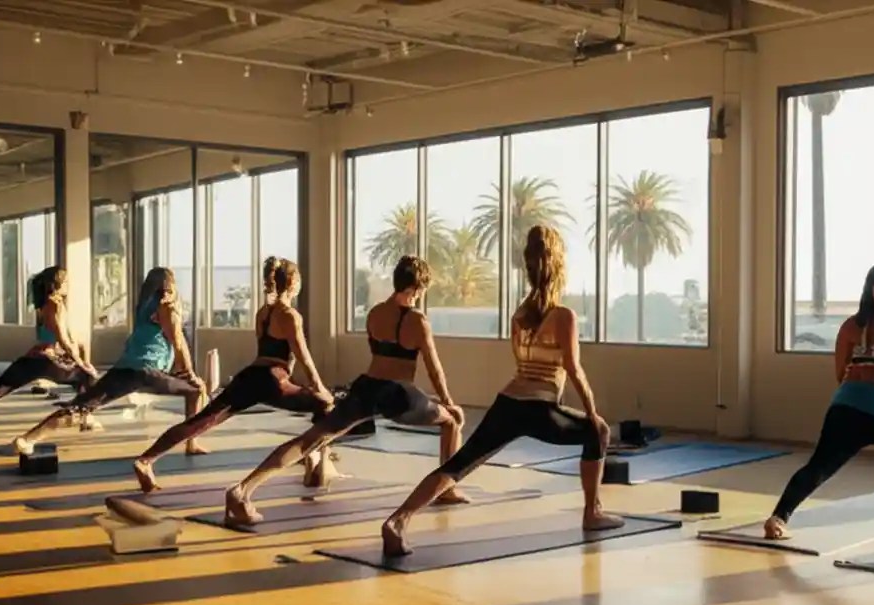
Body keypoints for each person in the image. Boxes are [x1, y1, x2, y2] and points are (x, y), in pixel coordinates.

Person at [380, 225, 624, 556]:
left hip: (507, 403)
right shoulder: (564, 316)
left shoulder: (519, 315)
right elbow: (572, 369)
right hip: (540, 409)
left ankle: (398, 520)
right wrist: (592, 412)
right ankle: (592, 513)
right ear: (559, 269)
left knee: (459, 464)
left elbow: (526, 365)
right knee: (600, 431)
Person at [223, 254, 464, 526]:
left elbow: (381, 354)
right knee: (452, 420)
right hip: (399, 394)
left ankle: (243, 489)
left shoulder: (374, 314)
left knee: (310, 439)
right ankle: (448, 489)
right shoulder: (418, 320)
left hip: (367, 387)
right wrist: (448, 401)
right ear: (416, 288)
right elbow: (433, 368)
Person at [763, 262, 874, 540]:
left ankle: (778, 517)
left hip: (844, 406)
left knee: (818, 467)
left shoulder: (849, 326)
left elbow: (841, 374)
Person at [131, 257, 336, 493]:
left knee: (202, 421)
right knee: (325, 405)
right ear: (292, 283)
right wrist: (319, 387)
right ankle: (313, 461)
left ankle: (146, 460)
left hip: (250, 376)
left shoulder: (263, 313)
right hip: (273, 379)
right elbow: (303, 356)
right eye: (299, 279)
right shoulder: (290, 315)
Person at [13, 267, 207, 456]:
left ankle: (27, 439)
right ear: (170, 285)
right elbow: (178, 342)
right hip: (149, 369)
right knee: (196, 390)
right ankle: (192, 443)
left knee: (82, 406)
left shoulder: (144, 306)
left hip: (126, 367)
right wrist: (190, 373)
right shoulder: (167, 307)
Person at [0, 266, 99, 444]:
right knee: (88, 377)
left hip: (33, 358)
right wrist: (81, 363)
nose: (69, 285)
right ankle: (85, 417)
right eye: (66, 282)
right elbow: (63, 339)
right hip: (49, 360)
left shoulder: (43, 305)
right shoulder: (56, 305)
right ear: (57, 284)